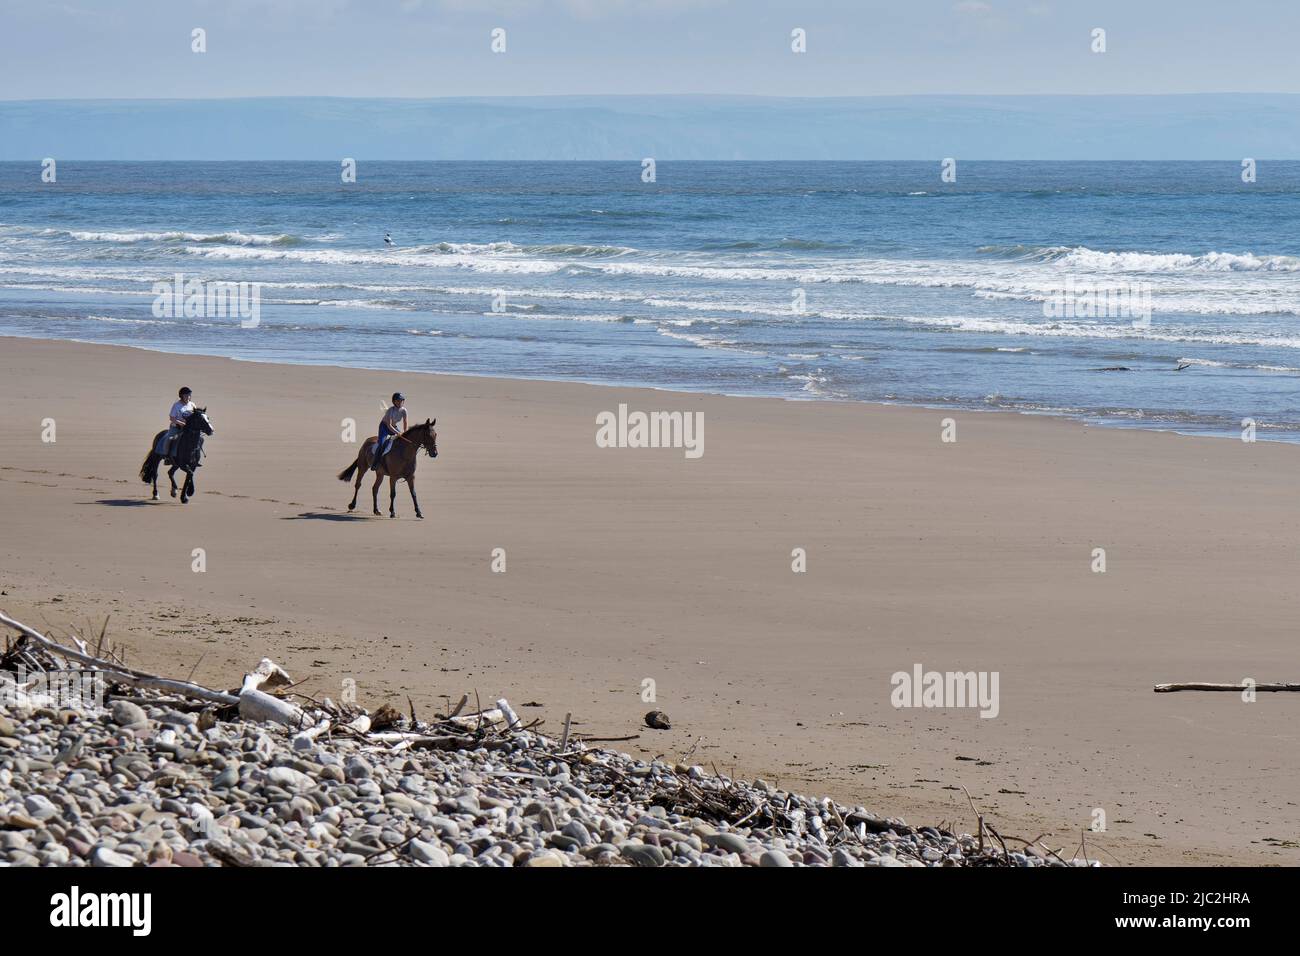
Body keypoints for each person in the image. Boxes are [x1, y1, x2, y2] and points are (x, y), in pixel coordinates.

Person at [157, 387, 195, 461]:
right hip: (176, 427)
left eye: (189, 395)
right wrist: (180, 423)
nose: (188, 397)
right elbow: (172, 418)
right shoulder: (176, 405)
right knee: (169, 439)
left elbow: (195, 416)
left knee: (199, 439)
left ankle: (195, 456)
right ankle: (166, 456)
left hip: (188, 428)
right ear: (181, 396)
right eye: (186, 395)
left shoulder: (192, 404)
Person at [373, 392, 408, 471]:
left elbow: (405, 422)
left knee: (404, 441)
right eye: (398, 401)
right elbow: (389, 425)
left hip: (394, 427)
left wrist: (405, 432)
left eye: (401, 401)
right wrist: (398, 433)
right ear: (394, 402)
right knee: (381, 444)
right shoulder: (390, 410)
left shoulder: (404, 410)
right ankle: (375, 463)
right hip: (384, 427)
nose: (400, 402)